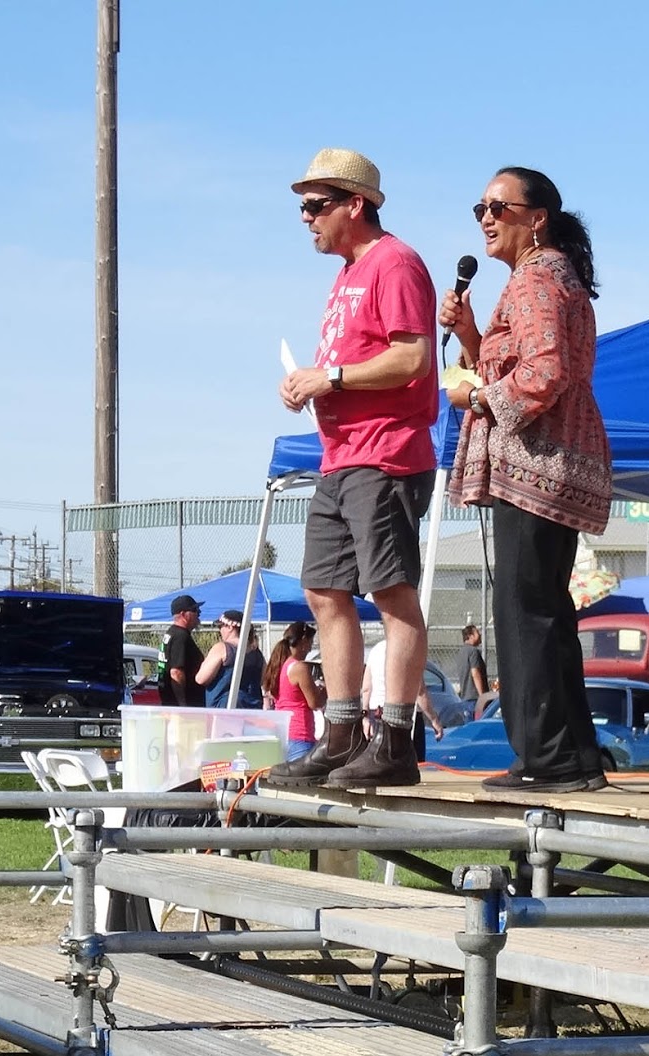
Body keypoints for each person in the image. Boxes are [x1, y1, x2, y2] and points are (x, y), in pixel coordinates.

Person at [268, 147, 438, 789]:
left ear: (355, 205)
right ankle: (340, 735)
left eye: (316, 205)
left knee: (392, 593)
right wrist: (312, 385)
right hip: (342, 457)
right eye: (303, 207)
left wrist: (330, 376)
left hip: (386, 453)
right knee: (323, 592)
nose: (306, 218)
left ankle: (394, 739)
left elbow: (413, 359)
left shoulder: (394, 262)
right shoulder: (346, 275)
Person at [441, 166, 612, 793]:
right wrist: (469, 335)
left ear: (535, 217)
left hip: (535, 461)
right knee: (543, 609)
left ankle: (548, 759)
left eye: (497, 207)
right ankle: (572, 755)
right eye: (478, 208)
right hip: (552, 459)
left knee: (524, 612)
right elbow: (528, 357)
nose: (486, 218)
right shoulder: (550, 275)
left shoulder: (537, 276)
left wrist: (482, 400)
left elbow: (545, 369)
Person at [361, 637, 444, 761]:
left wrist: (365, 715)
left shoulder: (376, 650)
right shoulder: (408, 649)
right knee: (412, 761)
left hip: (377, 713)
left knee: (379, 759)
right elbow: (419, 691)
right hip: (405, 713)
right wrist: (434, 719)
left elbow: (367, 688)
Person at [262, 621, 322, 762]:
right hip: (300, 734)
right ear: (303, 641)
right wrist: (325, 690)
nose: (309, 649)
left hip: (283, 734)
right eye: (310, 643)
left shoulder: (279, 666)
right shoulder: (299, 667)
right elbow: (315, 703)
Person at [158, 595, 205, 707]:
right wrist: (182, 705)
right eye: (194, 610)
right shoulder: (180, 636)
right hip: (182, 705)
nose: (199, 613)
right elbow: (176, 672)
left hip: (171, 702)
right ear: (183, 614)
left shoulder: (172, 632)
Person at [198, 610, 243, 708]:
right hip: (251, 708)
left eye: (221, 626)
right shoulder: (255, 650)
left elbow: (201, 678)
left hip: (224, 709)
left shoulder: (222, 648)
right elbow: (263, 680)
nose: (220, 630)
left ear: (230, 627)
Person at [454, 624, 488, 700]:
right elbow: (475, 673)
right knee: (479, 713)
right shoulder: (473, 651)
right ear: (470, 636)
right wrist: (482, 697)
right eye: (477, 632)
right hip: (475, 698)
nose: (480, 634)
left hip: (465, 697)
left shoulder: (461, 652)